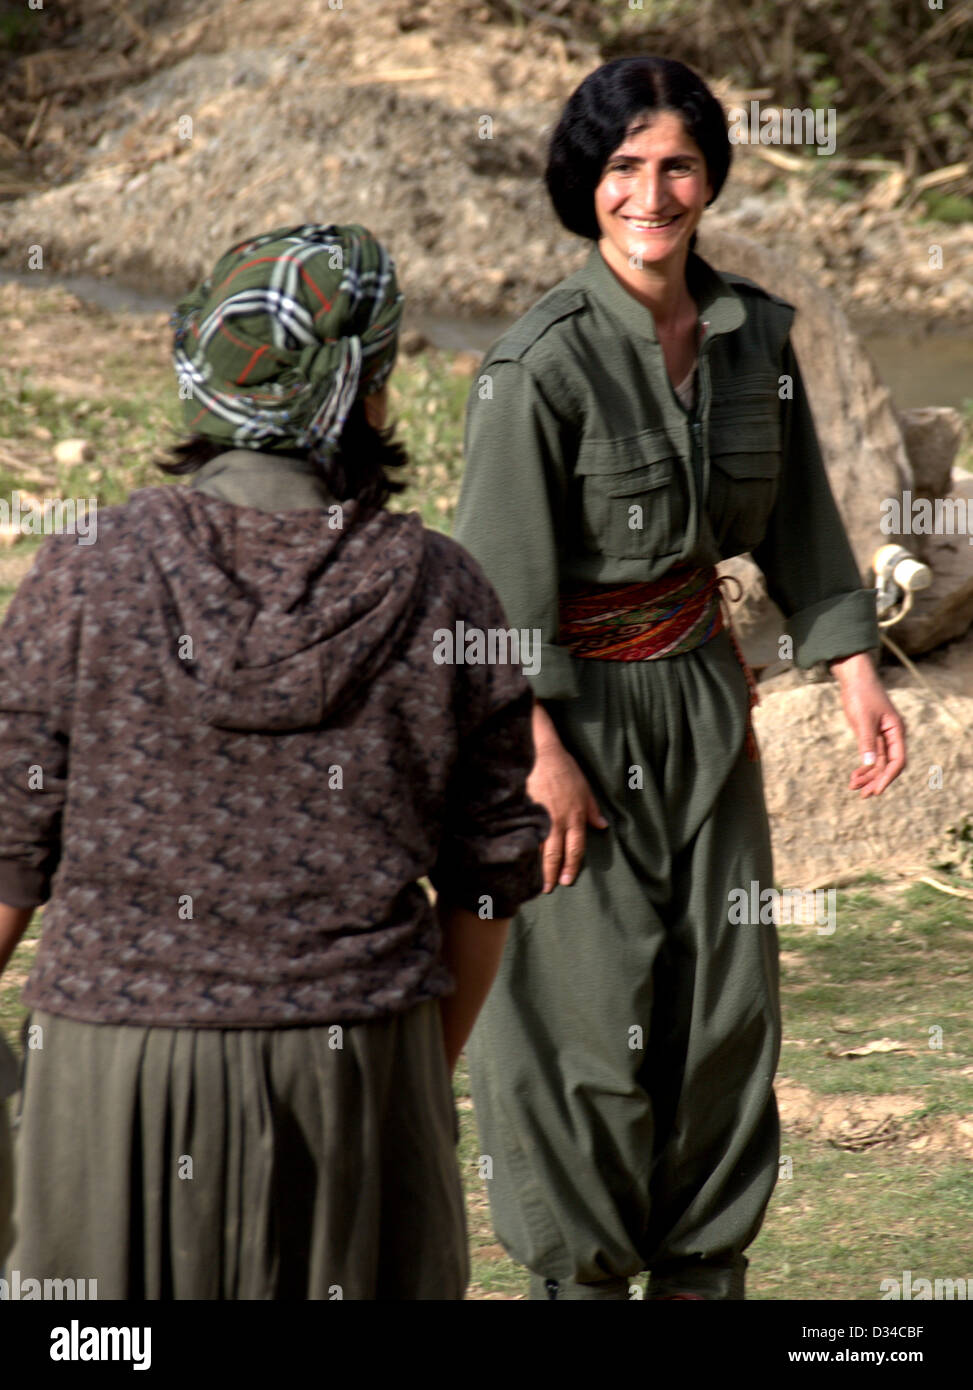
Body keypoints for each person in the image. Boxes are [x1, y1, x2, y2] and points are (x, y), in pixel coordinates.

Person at [0, 223, 548, 1299]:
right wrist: (409, 1082)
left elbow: (7, 861)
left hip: (112, 1079)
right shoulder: (444, 592)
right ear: (368, 390)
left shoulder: (83, 572)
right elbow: (491, 879)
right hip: (356, 1064)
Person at [452, 57, 906, 1301]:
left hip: (707, 707)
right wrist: (535, 756)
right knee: (583, 1037)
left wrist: (856, 669)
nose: (651, 194)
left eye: (676, 167)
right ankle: (580, 1283)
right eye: (622, 170)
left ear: (707, 179)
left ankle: (705, 1277)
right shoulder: (531, 366)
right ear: (583, 188)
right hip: (567, 730)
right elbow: (492, 606)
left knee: (721, 1021)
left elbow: (803, 527)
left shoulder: (753, 334)